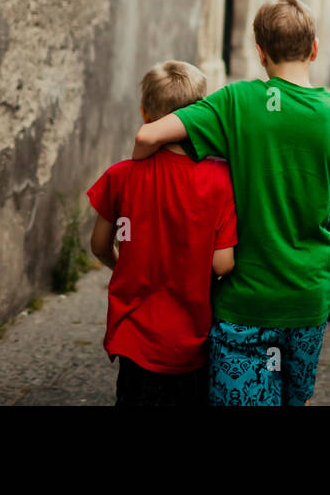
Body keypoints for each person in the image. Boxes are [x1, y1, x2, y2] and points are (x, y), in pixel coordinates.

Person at [131, 0, 330, 406]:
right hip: (308, 296)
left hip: (246, 303)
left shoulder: (237, 101)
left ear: (259, 53)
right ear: (314, 49)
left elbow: (148, 137)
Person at [88, 60, 237, 406]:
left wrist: (122, 266)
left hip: (134, 338)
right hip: (191, 341)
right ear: (200, 115)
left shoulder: (121, 176)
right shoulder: (221, 180)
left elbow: (99, 245)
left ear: (145, 113)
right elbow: (222, 264)